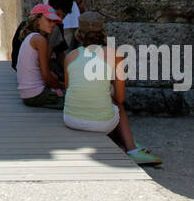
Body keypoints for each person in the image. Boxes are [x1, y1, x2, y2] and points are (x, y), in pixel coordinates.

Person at [62, 12, 162, 167]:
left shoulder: (70, 56)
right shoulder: (114, 55)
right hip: (101, 124)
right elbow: (121, 98)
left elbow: (69, 90)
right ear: (103, 33)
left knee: (103, 96)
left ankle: (121, 143)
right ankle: (131, 149)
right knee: (117, 104)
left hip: (71, 120)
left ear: (78, 34)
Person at [17, 4, 65, 110]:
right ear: (37, 19)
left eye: (54, 21)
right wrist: (63, 85)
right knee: (74, 99)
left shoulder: (31, 37)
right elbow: (46, 75)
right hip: (36, 95)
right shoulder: (40, 41)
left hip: (27, 93)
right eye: (49, 20)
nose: (52, 24)